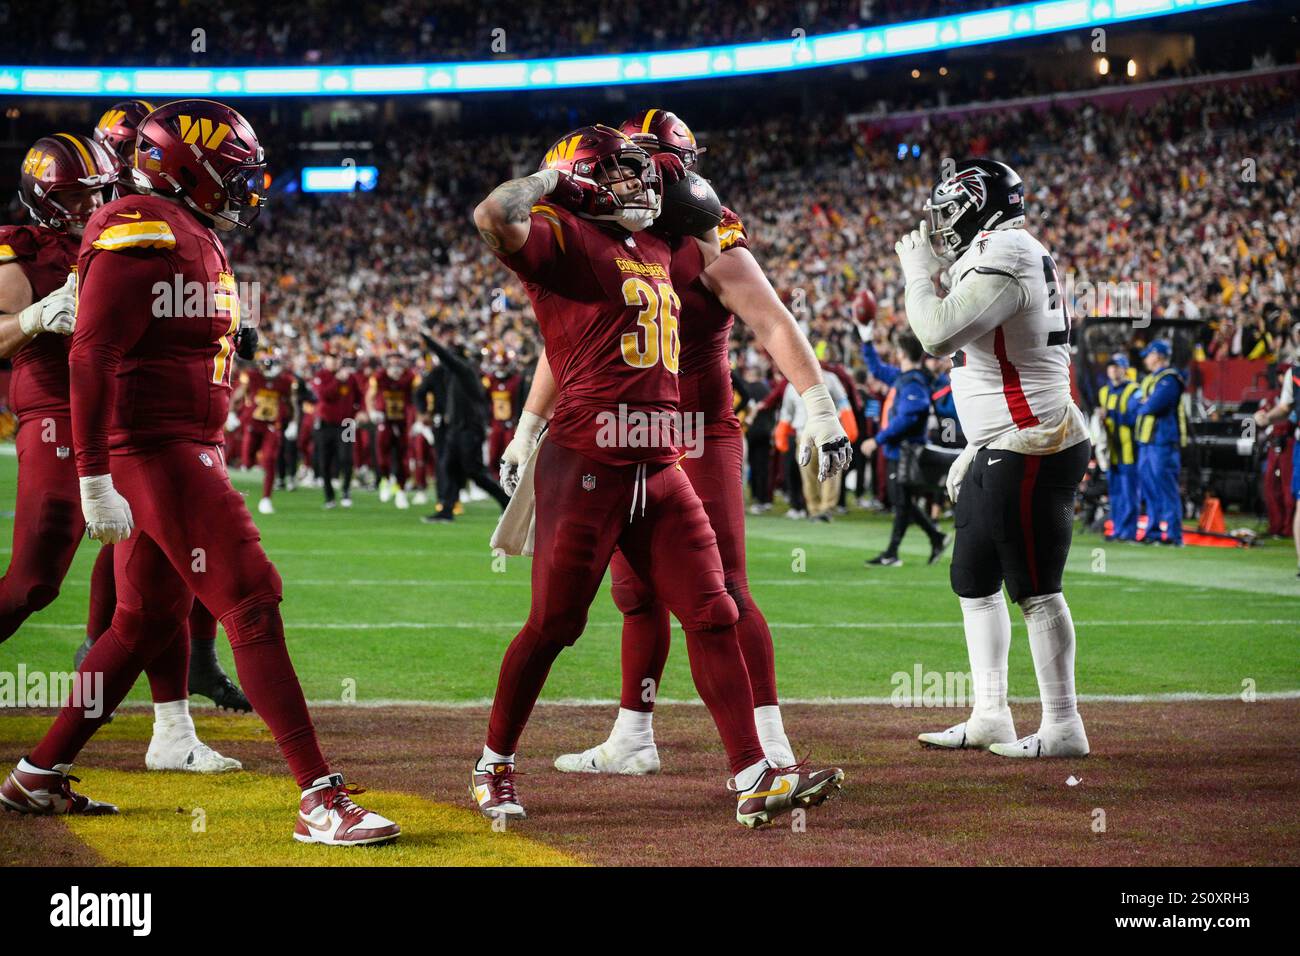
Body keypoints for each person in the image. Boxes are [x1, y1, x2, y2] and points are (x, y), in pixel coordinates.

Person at [1, 100, 399, 844]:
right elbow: (92, 354)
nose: (248, 185)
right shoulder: (140, 226)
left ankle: (38, 773)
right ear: (187, 168)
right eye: (234, 171)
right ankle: (318, 794)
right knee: (251, 595)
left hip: (183, 441)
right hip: (157, 447)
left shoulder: (189, 230)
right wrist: (94, 476)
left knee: (142, 622)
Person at [469, 124, 843, 827]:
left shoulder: (658, 244)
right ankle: (495, 762)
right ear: (582, 180)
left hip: (663, 461)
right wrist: (556, 181)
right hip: (587, 462)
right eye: (618, 173)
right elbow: (494, 217)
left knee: (713, 610)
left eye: (640, 171)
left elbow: (726, 260)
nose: (639, 185)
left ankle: (755, 772)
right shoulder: (562, 238)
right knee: (555, 624)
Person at [899, 158, 1091, 759]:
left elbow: (935, 334)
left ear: (982, 204)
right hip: (1002, 441)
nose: (943, 224)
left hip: (1034, 438)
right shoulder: (996, 250)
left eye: (953, 208)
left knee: (1035, 588)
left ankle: (1063, 725)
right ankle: (991, 715)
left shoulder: (1007, 253)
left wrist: (916, 276)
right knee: (973, 581)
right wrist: (974, 447)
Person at [860, 331, 950, 566]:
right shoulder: (905, 377)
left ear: (902, 353)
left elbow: (909, 417)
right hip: (899, 451)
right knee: (902, 501)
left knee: (901, 501)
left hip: (904, 451)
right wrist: (866, 339)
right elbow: (877, 370)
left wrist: (877, 439)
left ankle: (893, 553)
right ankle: (935, 537)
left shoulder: (913, 382)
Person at [419, 330, 510, 523]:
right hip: (456, 430)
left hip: (468, 431)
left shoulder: (465, 371)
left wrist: (426, 339)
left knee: (474, 471)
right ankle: (447, 510)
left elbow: (446, 357)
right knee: (450, 468)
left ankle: (507, 502)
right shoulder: (457, 375)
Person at [1132, 339, 1186, 545]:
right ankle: (1153, 532)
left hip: (1163, 441)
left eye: (1149, 354)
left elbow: (1151, 406)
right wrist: (1144, 403)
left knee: (1167, 488)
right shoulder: (1152, 380)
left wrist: (1145, 403)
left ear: (1159, 356)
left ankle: (1174, 535)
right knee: (1150, 488)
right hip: (1147, 441)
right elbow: (1137, 404)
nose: (1146, 358)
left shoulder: (1170, 379)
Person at [1253, 356, 1300, 576]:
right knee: (1292, 496)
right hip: (1287, 444)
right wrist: (1265, 420)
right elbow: (1283, 409)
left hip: (1291, 442)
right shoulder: (1295, 374)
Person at [1098, 353, 1141, 541]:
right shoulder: (1104, 391)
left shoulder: (1134, 391)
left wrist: (1110, 414)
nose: (1113, 370)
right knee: (1115, 493)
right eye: (1111, 366)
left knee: (1129, 493)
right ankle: (1116, 530)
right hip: (1112, 451)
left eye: (1117, 366)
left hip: (1130, 450)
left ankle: (1128, 532)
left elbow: (1134, 418)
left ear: (1125, 369)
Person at [310, 350, 360, 509]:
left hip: (346, 423)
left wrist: (357, 414)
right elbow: (325, 395)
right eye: (330, 359)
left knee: (347, 458)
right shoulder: (320, 376)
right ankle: (329, 496)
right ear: (325, 361)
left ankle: (346, 491)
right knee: (325, 461)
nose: (334, 362)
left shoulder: (351, 378)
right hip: (325, 424)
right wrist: (337, 381)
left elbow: (359, 397)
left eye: (336, 359)